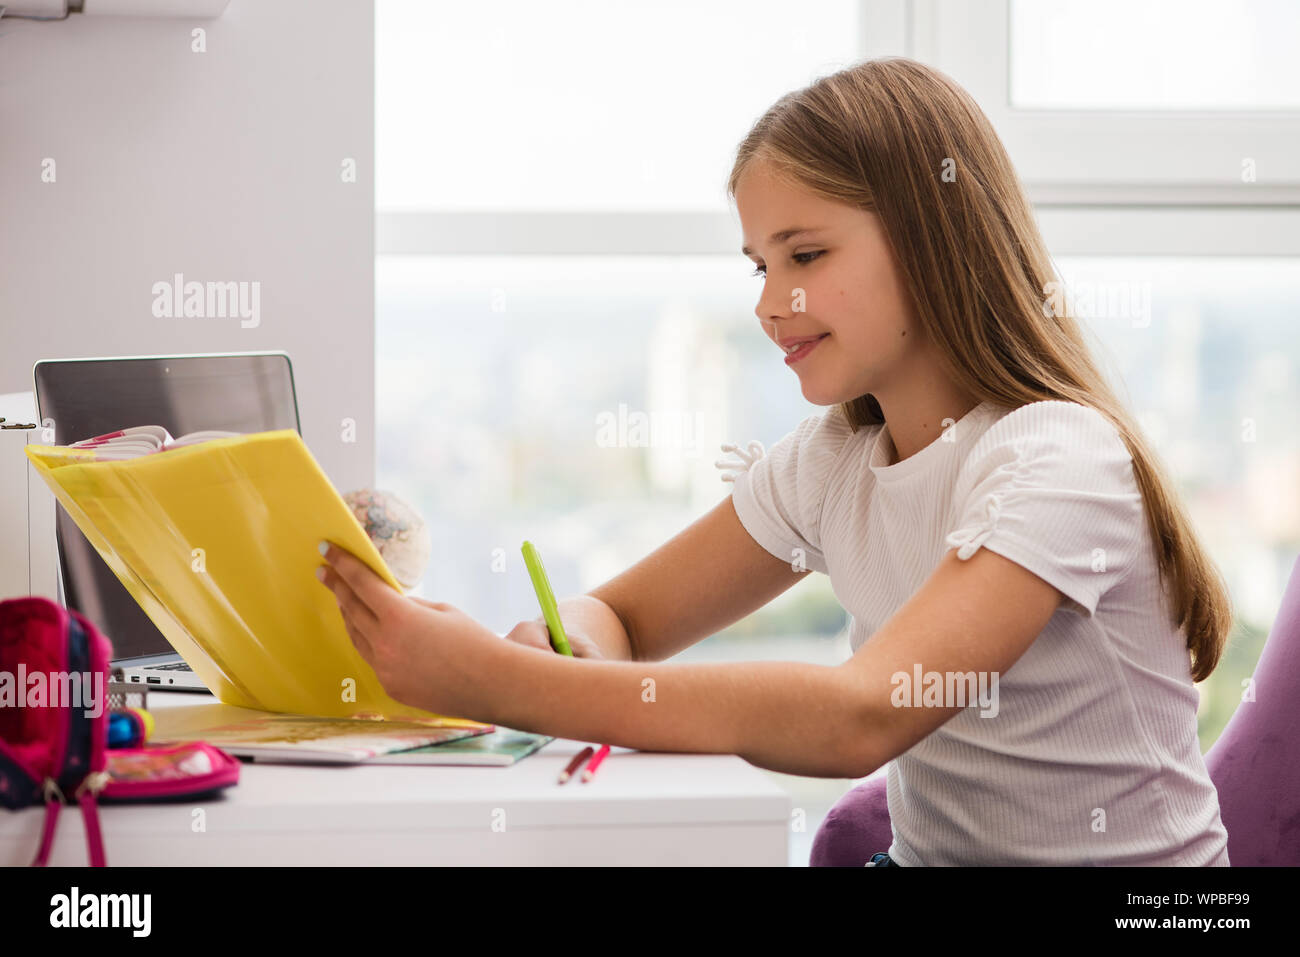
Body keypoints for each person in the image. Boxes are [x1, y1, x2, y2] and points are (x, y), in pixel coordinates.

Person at [316, 57, 1232, 866]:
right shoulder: (835, 459)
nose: (769, 303)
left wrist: (509, 683)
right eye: (760, 266)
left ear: (932, 237)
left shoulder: (1057, 457)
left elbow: (862, 715)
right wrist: (579, 648)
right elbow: (622, 615)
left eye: (806, 254)